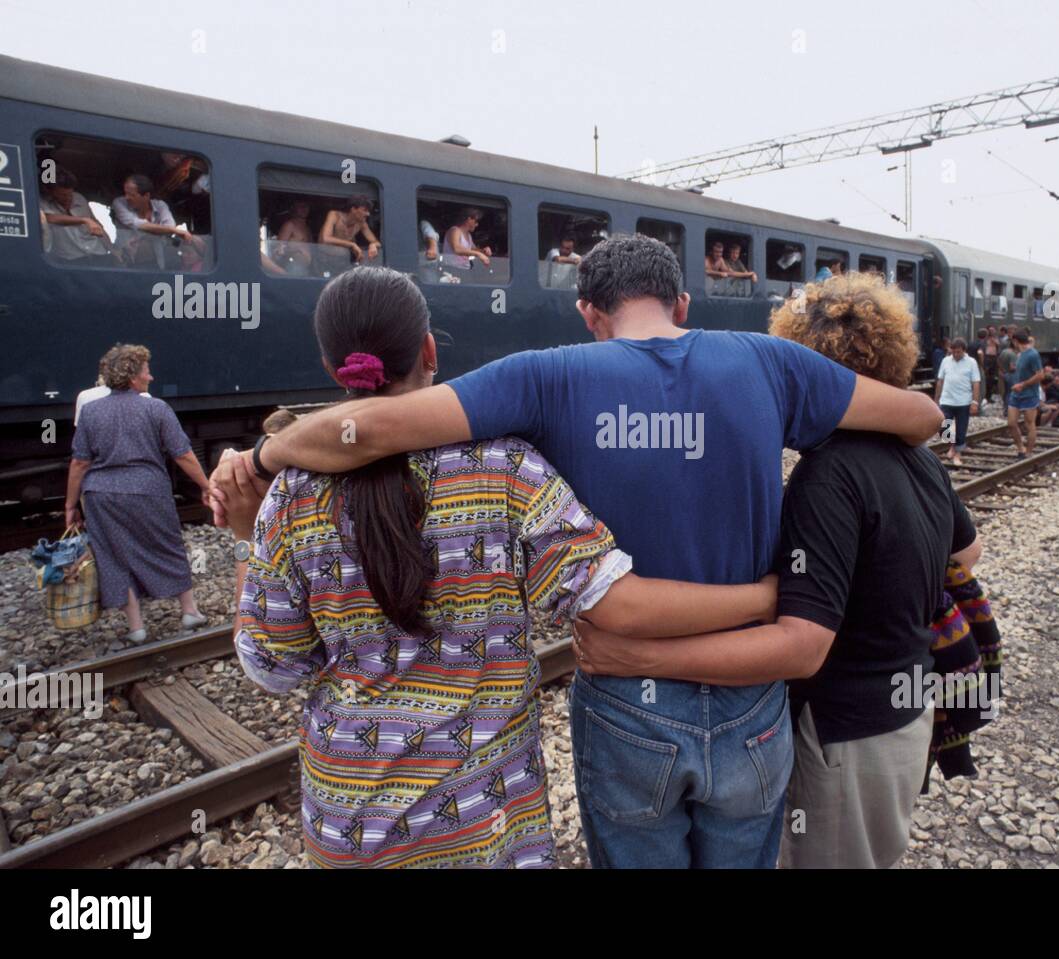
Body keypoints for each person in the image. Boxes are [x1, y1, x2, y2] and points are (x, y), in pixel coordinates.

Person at [209, 235, 944, 869]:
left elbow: (370, 433)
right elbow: (922, 416)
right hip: (752, 698)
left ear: (590, 314)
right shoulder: (772, 362)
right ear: (682, 303)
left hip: (628, 702)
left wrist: (267, 457)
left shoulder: (545, 374)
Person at [571, 272, 982, 869]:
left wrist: (641, 660)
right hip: (908, 712)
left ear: (805, 369)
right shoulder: (917, 459)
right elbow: (965, 555)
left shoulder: (830, 475)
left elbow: (801, 649)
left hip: (846, 732)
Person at [64, 344, 209, 643]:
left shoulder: (90, 412)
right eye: (146, 371)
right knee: (167, 546)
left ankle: (136, 628)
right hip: (148, 490)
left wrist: (70, 505)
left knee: (113, 557)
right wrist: (206, 486)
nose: (151, 377)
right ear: (132, 377)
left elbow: (79, 462)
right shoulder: (156, 408)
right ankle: (190, 611)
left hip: (101, 496)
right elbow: (182, 454)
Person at [111, 174, 198, 267]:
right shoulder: (119, 203)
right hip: (124, 262)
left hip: (155, 263)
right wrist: (174, 231)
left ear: (146, 196)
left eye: (132, 195)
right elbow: (138, 225)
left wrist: (166, 230)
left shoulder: (160, 206)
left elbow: (169, 227)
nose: (127, 197)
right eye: (126, 193)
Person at [38, 169, 114, 266]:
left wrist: (112, 249)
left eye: (70, 194)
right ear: (51, 192)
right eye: (63, 195)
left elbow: (96, 224)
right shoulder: (43, 202)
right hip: (70, 260)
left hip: (98, 253)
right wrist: (84, 220)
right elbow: (50, 218)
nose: (68, 198)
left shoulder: (79, 198)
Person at [935, 337, 981, 466]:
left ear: (964, 351)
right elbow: (940, 381)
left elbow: (976, 383)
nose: (956, 354)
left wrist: (975, 402)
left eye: (958, 352)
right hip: (946, 400)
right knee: (944, 428)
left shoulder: (971, 362)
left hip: (963, 401)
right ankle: (952, 445)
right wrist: (936, 399)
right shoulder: (945, 361)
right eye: (953, 352)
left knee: (961, 429)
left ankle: (957, 454)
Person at [1006, 331, 1043, 457]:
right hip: (1016, 394)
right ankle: (1020, 448)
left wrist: (1022, 385)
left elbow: (1040, 374)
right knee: (1011, 423)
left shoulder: (1033, 354)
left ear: (1016, 341)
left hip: (1029, 394)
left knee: (1029, 424)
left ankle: (1028, 452)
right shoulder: (1020, 354)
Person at [319, 195, 381, 266]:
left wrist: (373, 245)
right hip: (324, 259)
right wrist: (352, 244)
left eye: (368, 211)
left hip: (342, 261)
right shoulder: (335, 215)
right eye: (365, 210)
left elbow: (377, 242)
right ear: (353, 209)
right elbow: (326, 238)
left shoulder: (361, 223)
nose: (368, 214)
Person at [273, 199, 315, 275]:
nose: (304, 209)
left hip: (307, 268)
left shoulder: (307, 228)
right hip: (294, 267)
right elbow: (278, 250)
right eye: (300, 206)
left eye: (306, 206)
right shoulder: (290, 225)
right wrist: (297, 249)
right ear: (294, 208)